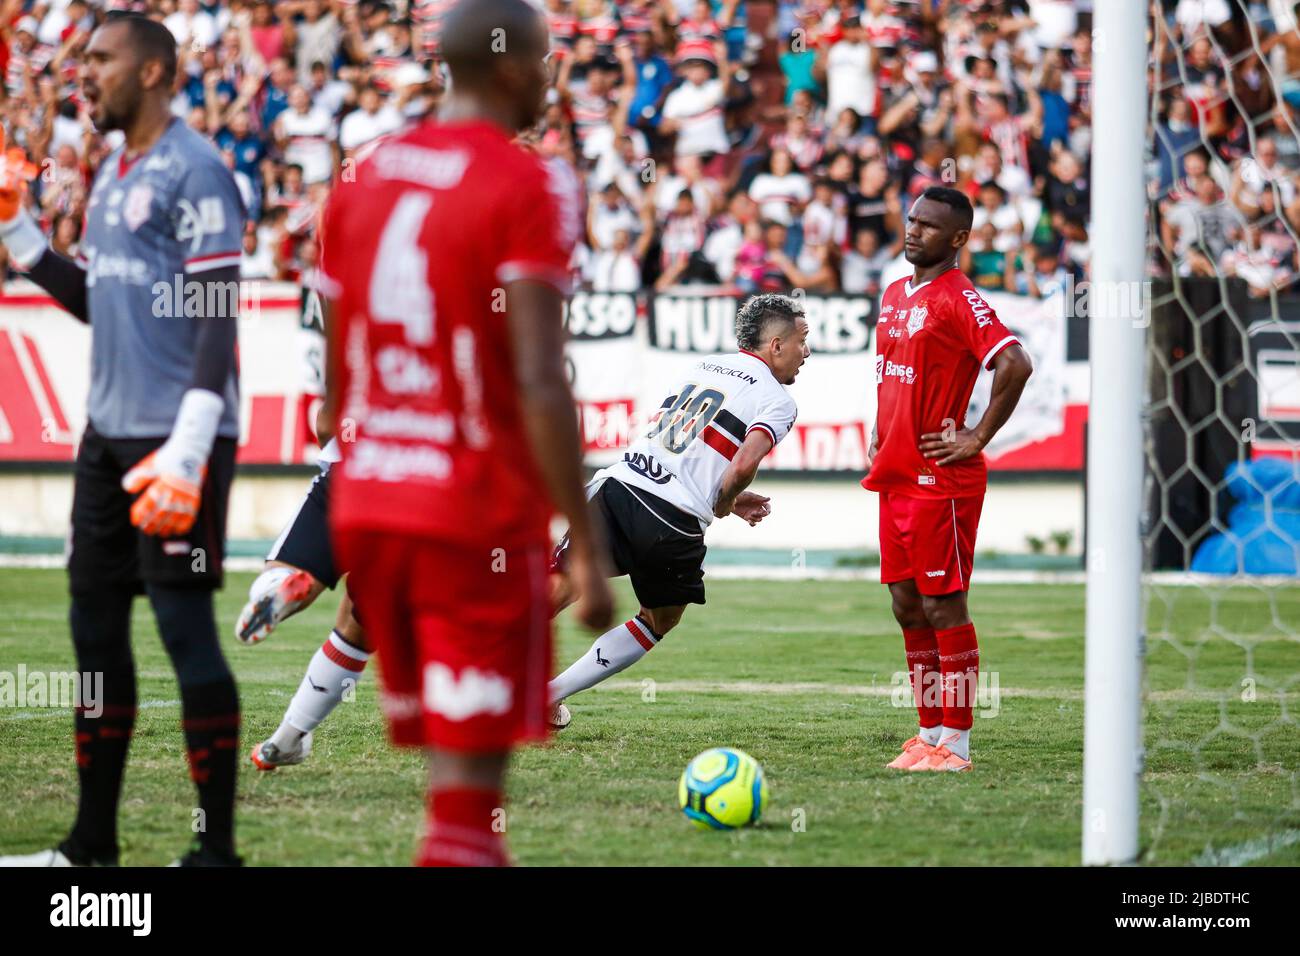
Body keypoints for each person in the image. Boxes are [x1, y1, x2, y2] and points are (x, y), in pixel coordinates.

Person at [318, 0, 614, 867]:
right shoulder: (531, 180)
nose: (554, 78)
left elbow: (337, 355)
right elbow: (536, 377)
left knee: (452, 804)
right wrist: (586, 549)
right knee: (466, 808)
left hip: (371, 501)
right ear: (514, 68)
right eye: (549, 61)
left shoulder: (365, 172)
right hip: (470, 513)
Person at [0, 14, 246, 866]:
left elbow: (219, 311)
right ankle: (89, 848)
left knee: (185, 635)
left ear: (150, 71)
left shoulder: (198, 169)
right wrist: (19, 236)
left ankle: (216, 853)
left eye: (100, 58)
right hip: (105, 444)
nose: (84, 72)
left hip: (177, 439)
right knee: (94, 639)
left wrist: (190, 442)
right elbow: (99, 298)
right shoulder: (113, 172)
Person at [548, 294, 808, 728]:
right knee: (658, 619)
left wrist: (720, 492)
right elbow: (742, 463)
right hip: (671, 520)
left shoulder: (703, 366)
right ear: (776, 345)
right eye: (803, 340)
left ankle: (484, 682)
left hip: (620, 485)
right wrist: (723, 502)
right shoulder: (778, 400)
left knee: (560, 587)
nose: (807, 352)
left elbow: (686, 446)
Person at [863, 187, 1033, 773]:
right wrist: (881, 430)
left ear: (958, 239)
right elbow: (892, 375)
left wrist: (976, 436)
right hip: (895, 476)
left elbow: (1016, 363)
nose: (913, 231)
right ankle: (928, 732)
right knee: (906, 605)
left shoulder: (960, 297)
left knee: (944, 607)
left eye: (929, 226)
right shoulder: (892, 293)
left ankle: (956, 744)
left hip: (942, 480)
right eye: (911, 220)